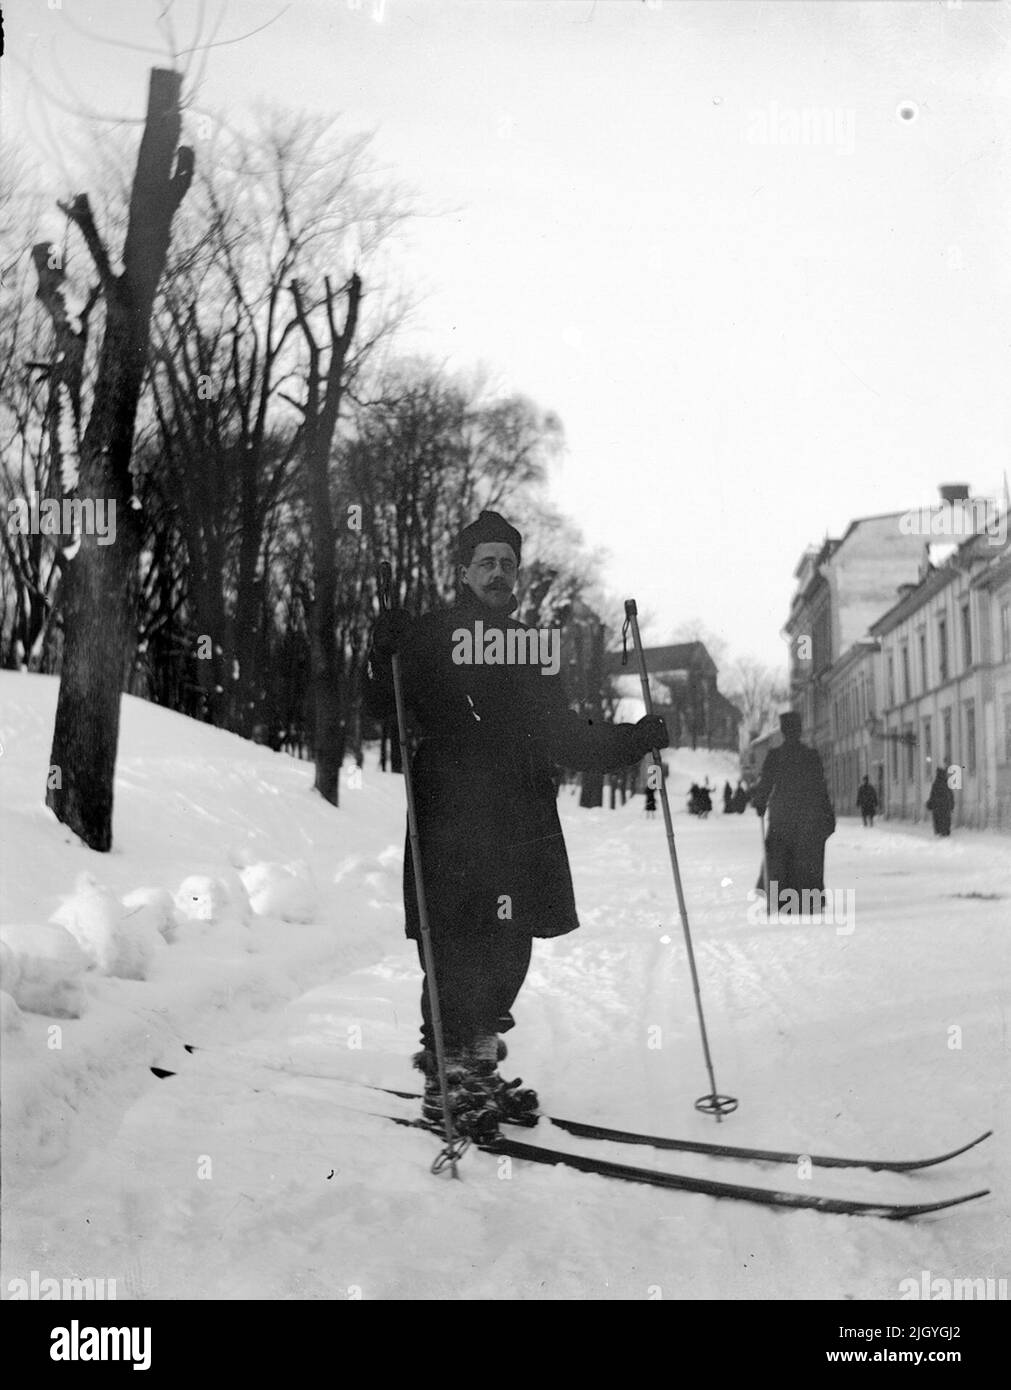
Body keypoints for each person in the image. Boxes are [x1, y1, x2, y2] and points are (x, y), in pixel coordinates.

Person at [362, 510, 668, 1136]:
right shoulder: (428, 635)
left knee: (507, 948)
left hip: (519, 816)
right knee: (451, 944)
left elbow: (565, 734)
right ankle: (446, 1083)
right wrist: (379, 650)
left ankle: (478, 1071)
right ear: (463, 571)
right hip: (450, 811)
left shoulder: (531, 648)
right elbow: (378, 710)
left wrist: (634, 739)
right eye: (487, 563)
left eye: (508, 563)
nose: (499, 573)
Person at [752, 712, 835, 913]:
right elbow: (820, 786)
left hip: (782, 814)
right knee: (806, 857)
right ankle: (808, 901)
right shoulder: (811, 755)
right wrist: (828, 813)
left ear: (782, 731)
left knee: (780, 857)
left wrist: (760, 802)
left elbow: (765, 783)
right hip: (807, 814)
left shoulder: (774, 755)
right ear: (799, 730)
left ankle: (780, 900)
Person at [926, 767, 955, 836]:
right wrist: (951, 805)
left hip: (937, 807)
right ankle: (946, 831)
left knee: (938, 819)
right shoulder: (947, 783)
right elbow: (950, 795)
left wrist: (930, 804)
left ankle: (939, 831)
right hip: (945, 807)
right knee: (946, 819)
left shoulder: (936, 784)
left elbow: (933, 795)